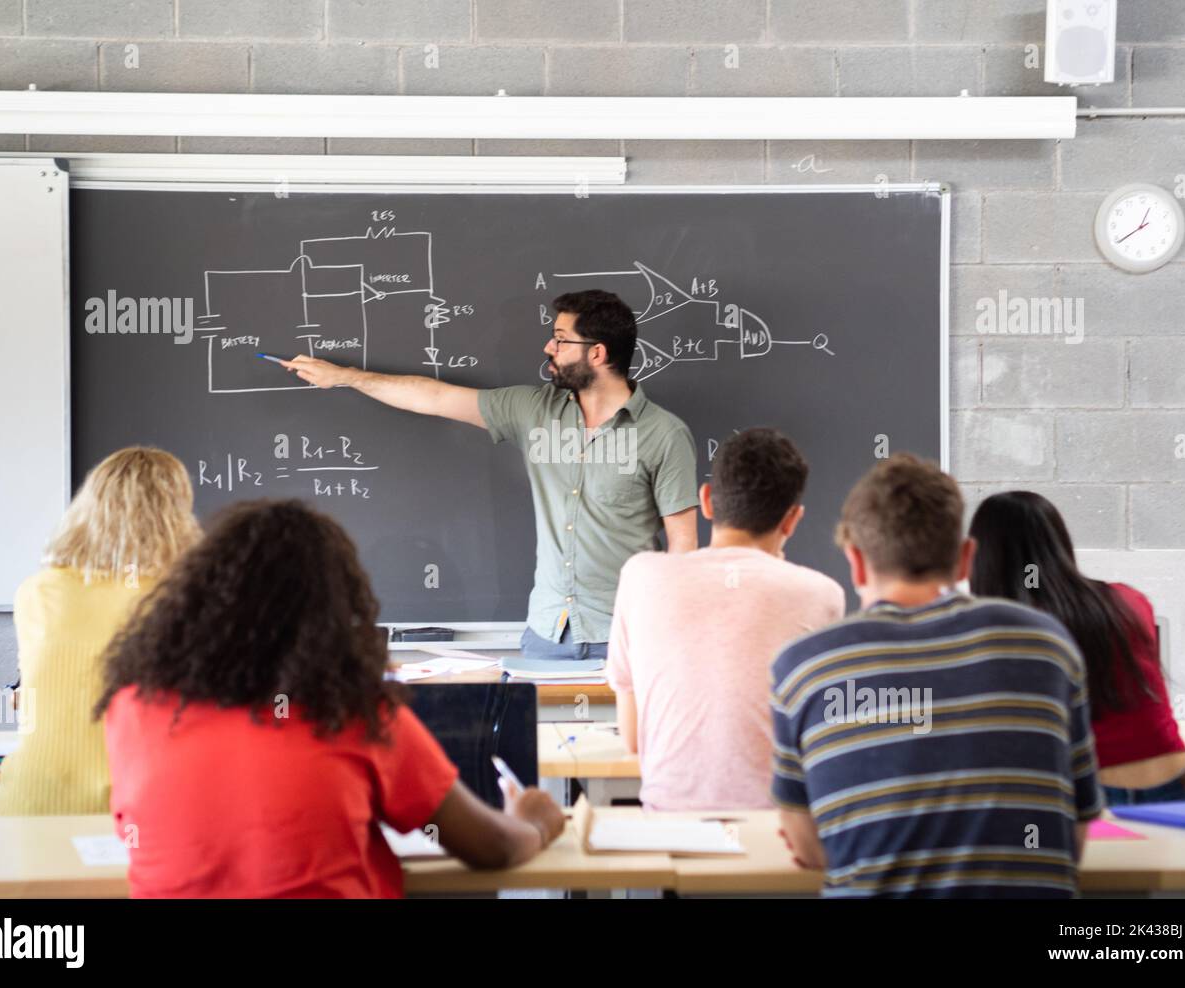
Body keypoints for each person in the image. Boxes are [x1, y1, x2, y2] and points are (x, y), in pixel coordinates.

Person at [97, 499, 565, 899]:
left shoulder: (133, 709)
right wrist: (535, 821)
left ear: (195, 600)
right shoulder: (358, 715)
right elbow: (493, 847)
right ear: (334, 613)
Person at [282, 289, 699, 661]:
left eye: (561, 339)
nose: (548, 346)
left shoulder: (664, 435)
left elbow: (683, 545)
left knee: (626, 749)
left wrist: (667, 631)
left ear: (597, 354)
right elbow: (434, 396)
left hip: (628, 637)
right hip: (546, 635)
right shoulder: (534, 410)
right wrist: (346, 378)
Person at [771, 454, 1103, 898]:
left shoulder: (804, 665)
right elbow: (1073, 837)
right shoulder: (1047, 645)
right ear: (966, 559)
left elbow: (810, 847)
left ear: (856, 562)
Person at [607, 428, 845, 810]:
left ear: (706, 501)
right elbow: (818, 741)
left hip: (672, 831)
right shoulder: (823, 595)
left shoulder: (641, 576)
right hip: (779, 838)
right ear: (792, 520)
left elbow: (633, 739)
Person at [0, 447, 200, 816]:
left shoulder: (39, 591)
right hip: (145, 815)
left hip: (29, 810)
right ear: (176, 516)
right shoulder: (187, 598)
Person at [968, 490, 1185, 806]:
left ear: (985, 559)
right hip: (1181, 784)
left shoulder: (1006, 631)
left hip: (1094, 799)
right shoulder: (1129, 601)